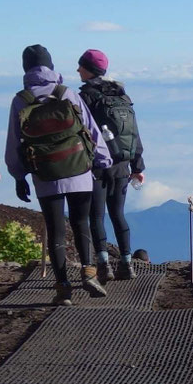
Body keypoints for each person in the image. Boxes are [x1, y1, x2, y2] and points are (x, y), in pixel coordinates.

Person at [5, 44, 113, 302]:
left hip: (45, 174)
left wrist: (18, 176)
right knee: (81, 222)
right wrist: (103, 161)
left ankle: (63, 287)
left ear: (25, 68)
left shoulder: (21, 100)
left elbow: (13, 142)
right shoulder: (68, 94)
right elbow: (91, 130)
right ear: (51, 67)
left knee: (55, 230)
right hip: (79, 171)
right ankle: (88, 273)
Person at [76, 48, 146, 279]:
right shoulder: (122, 97)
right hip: (122, 165)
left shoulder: (86, 97)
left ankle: (104, 265)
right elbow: (133, 132)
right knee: (118, 213)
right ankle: (127, 264)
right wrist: (138, 166)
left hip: (96, 165)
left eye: (81, 66)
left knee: (96, 216)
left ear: (89, 70)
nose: (78, 70)